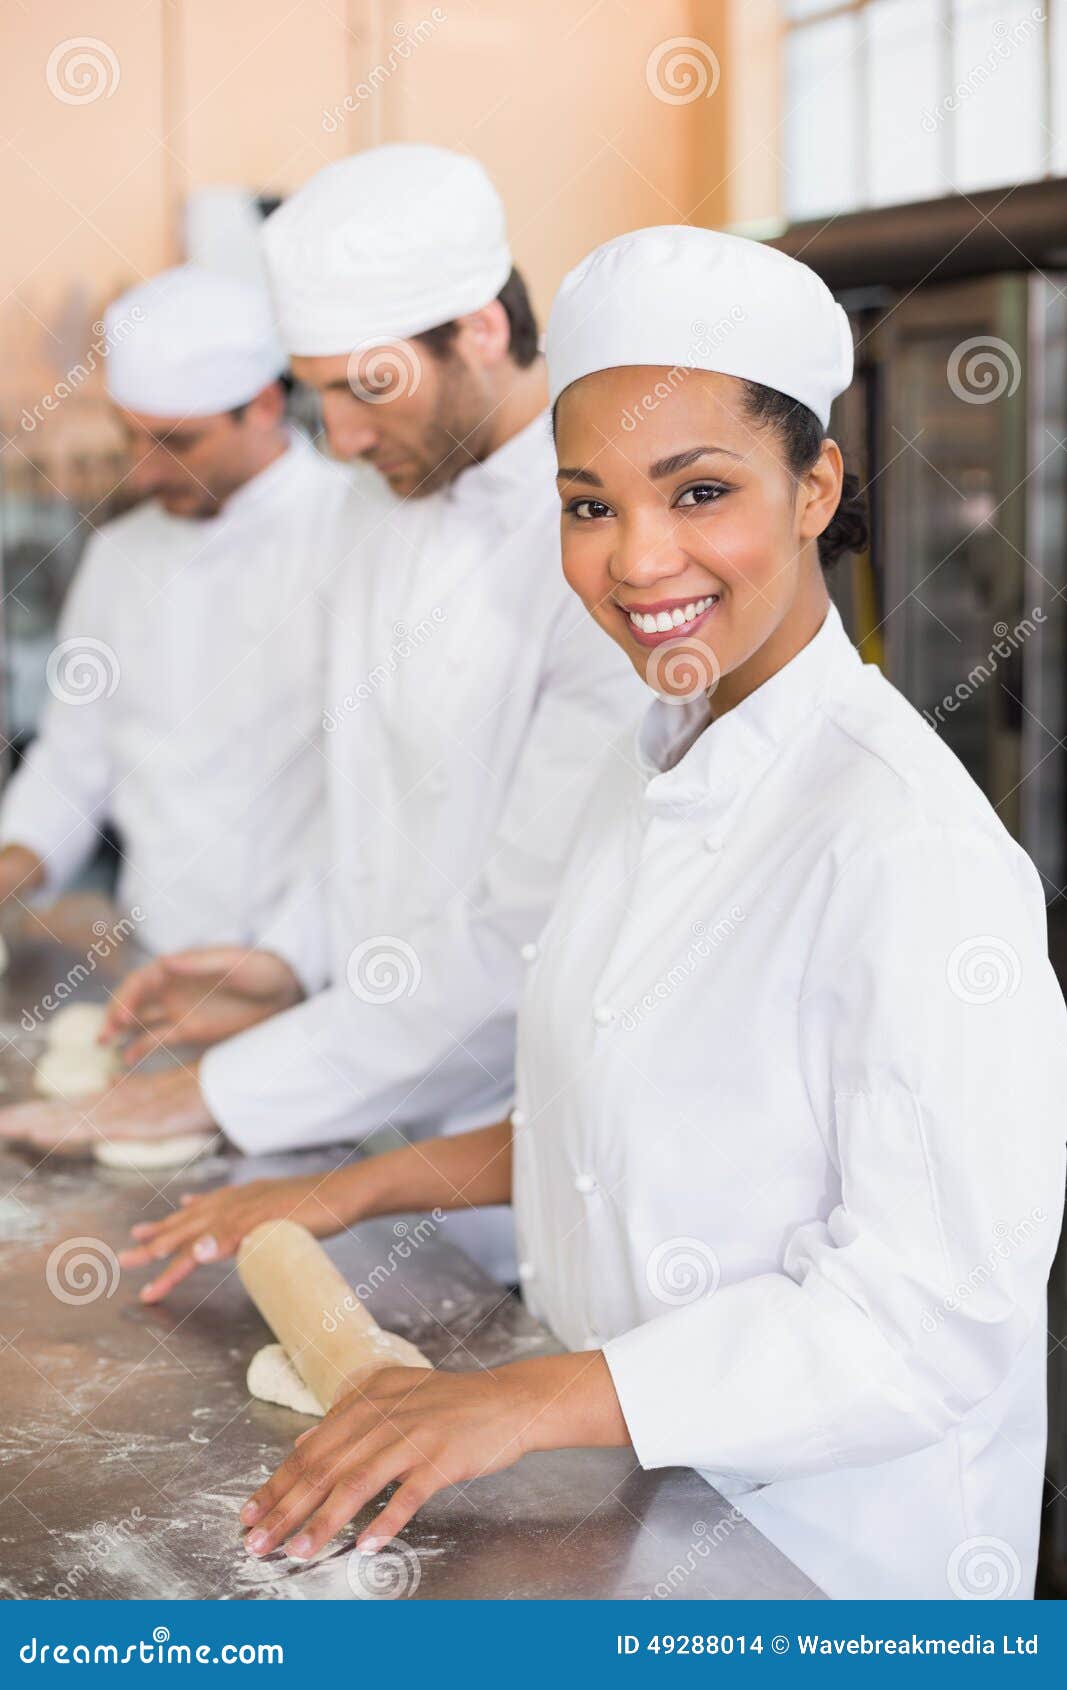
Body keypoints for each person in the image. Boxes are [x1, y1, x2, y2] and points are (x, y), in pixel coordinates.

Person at [118, 225, 1067, 1600]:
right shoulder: (653, 758)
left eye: (698, 492)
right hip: (619, 1509)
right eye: (587, 505)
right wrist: (345, 1188)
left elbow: (927, 1325)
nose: (636, 559)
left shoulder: (904, 846)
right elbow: (607, 1124)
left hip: (819, 1569)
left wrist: (523, 1400)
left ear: (813, 486)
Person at [3, 147, 641, 1281]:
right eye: (320, 393)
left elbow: (520, 939)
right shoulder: (380, 507)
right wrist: (291, 962)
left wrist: (220, 1087)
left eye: (364, 388)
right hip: (356, 1099)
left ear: (479, 331)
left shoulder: (603, 551)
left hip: (520, 1153)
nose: (337, 439)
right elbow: (370, 816)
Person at [0, 264, 353, 956]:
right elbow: (75, 755)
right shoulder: (120, 555)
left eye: (176, 442)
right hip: (156, 954)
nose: (144, 471)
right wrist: (14, 864)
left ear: (263, 406)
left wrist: (292, 960)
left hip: (319, 962)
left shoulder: (355, 533)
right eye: (131, 437)